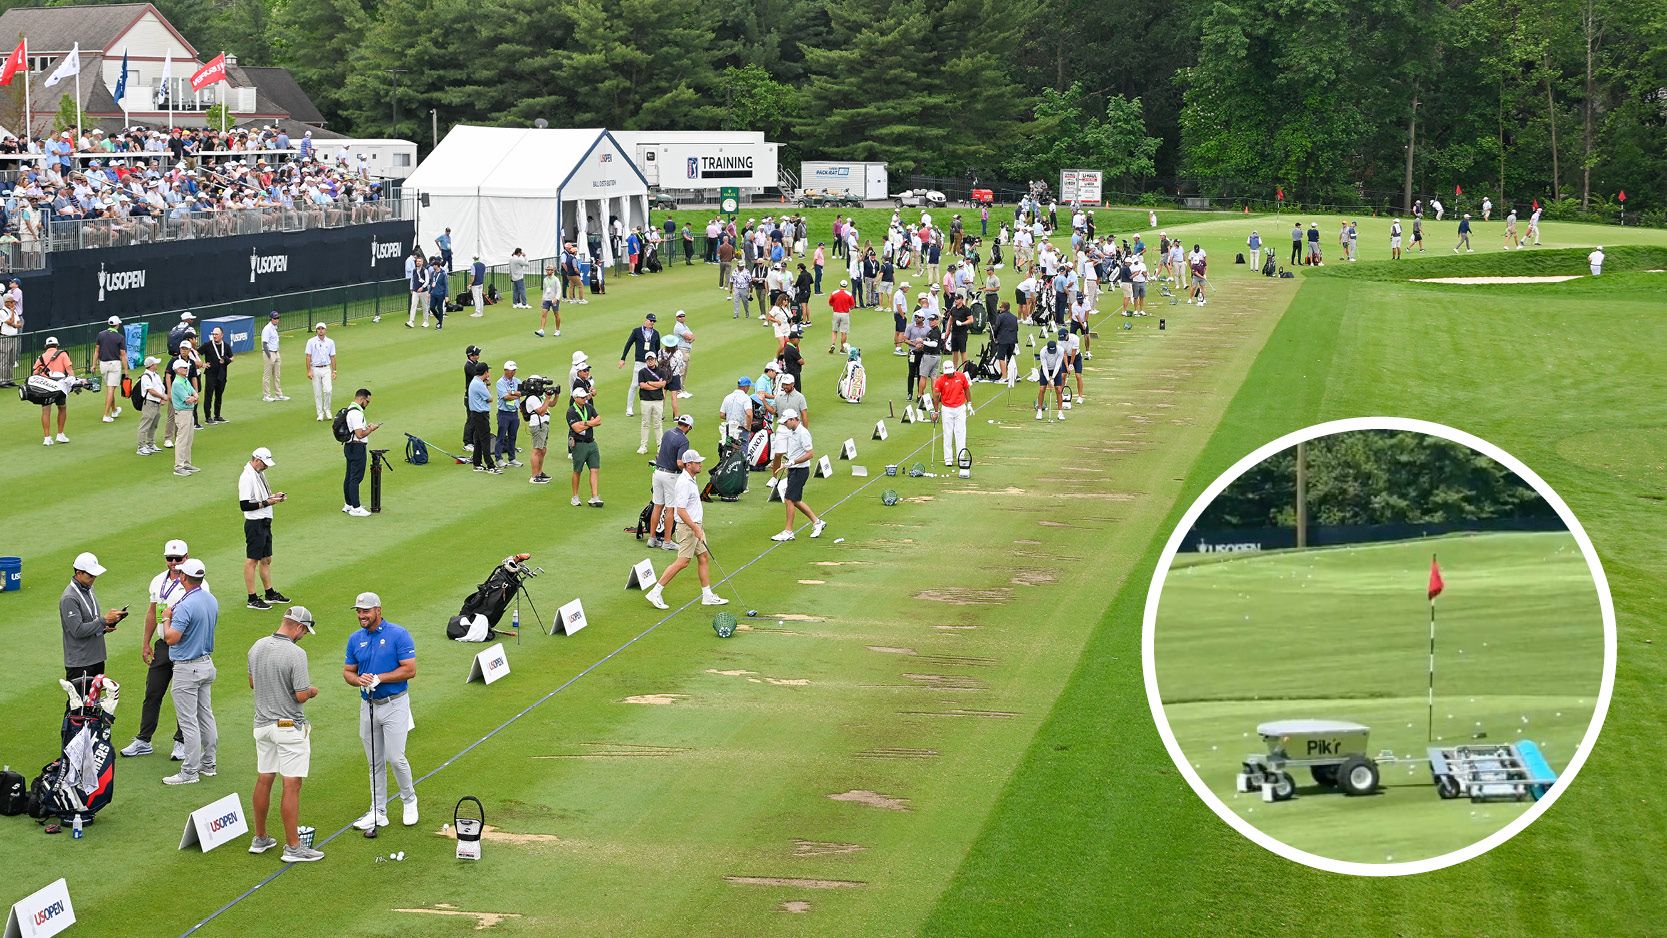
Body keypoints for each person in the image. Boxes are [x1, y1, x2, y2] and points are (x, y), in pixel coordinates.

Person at [247, 605, 323, 862]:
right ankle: (293, 847)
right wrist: (312, 691)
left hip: (262, 726)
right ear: (299, 627)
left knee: (264, 778)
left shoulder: (256, 646)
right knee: (291, 784)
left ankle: (260, 838)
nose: (303, 636)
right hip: (288, 728)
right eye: (304, 631)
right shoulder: (296, 654)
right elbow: (301, 694)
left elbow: (253, 683)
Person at [121, 539, 204, 760]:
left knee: (183, 694)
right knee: (153, 692)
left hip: (185, 646)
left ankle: (181, 741)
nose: (174, 563)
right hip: (163, 645)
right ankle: (143, 740)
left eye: (179, 559)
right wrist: (146, 643)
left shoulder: (198, 583)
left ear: (187, 557)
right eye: (170, 559)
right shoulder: (158, 581)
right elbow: (151, 613)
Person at [342, 592, 419, 830]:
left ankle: (409, 800)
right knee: (374, 762)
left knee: (396, 758)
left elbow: (410, 670)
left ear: (378, 610)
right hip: (368, 706)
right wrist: (359, 681)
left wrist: (380, 678)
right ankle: (378, 811)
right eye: (358, 611)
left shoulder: (398, 634)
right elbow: (348, 672)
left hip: (395, 704)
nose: (361, 615)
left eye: (366, 611)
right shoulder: (355, 639)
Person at [642, 450, 727, 609]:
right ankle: (655, 592)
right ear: (689, 465)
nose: (700, 464)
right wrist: (695, 528)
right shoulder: (683, 483)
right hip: (688, 528)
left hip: (695, 526)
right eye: (697, 462)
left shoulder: (691, 479)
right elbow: (679, 510)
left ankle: (707, 595)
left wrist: (697, 527)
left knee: (703, 557)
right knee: (683, 562)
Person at [161, 558, 218, 785]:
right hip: (206, 664)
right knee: (206, 715)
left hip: (187, 668)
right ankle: (209, 764)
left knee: (188, 722)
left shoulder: (185, 605)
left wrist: (166, 619)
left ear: (184, 577)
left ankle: (189, 772)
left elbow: (171, 638)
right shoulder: (210, 599)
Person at [60, 552, 124, 741]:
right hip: (80, 662)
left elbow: (90, 623)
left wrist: (104, 628)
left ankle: (87, 744)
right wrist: (104, 620)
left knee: (92, 705)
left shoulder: (88, 589)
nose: (93, 578)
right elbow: (78, 630)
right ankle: (69, 745)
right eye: (90, 575)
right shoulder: (69, 598)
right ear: (78, 573)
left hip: (96, 658)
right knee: (76, 707)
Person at [240, 447, 290, 609]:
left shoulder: (259, 474)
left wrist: (274, 497)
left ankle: (269, 593)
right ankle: (252, 598)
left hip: (265, 521)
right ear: (257, 460)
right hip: (255, 523)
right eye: (264, 463)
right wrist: (268, 502)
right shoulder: (247, 477)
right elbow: (245, 505)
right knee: (252, 560)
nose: (267, 467)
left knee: (266, 559)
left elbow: (260, 498)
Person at [767, 410, 825, 542]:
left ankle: (788, 531)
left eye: (786, 422)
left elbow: (810, 454)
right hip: (794, 469)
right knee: (795, 500)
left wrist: (793, 462)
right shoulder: (792, 431)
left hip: (800, 470)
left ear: (794, 419)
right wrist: (788, 463)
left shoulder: (803, 433)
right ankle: (817, 522)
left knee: (788, 499)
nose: (785, 424)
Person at [648, 414, 694, 550]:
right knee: (670, 508)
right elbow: (680, 462)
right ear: (689, 427)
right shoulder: (683, 440)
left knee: (657, 505)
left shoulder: (668, 433)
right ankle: (667, 542)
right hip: (670, 476)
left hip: (658, 473)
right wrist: (688, 469)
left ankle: (652, 538)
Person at [343, 388, 381, 514]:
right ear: (361, 398)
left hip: (350, 447)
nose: (367, 405)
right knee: (355, 478)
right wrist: (372, 429)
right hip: (357, 447)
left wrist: (366, 427)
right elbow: (359, 434)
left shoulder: (351, 409)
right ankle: (356, 508)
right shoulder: (356, 413)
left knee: (349, 476)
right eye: (367, 401)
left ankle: (348, 504)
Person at [567, 384, 603, 507]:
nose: (584, 399)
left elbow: (599, 420)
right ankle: (575, 496)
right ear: (575, 398)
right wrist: (590, 423)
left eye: (585, 397)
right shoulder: (571, 411)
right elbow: (576, 428)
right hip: (579, 444)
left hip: (591, 443)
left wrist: (585, 423)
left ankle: (594, 496)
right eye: (582, 397)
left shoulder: (589, 406)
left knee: (594, 469)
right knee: (577, 471)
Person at [618, 313, 661, 417]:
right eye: (650, 320)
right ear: (645, 320)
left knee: (652, 385)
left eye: (654, 321)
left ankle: (652, 408)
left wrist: (659, 362)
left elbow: (657, 348)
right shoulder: (637, 331)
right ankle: (629, 408)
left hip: (651, 364)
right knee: (634, 385)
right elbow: (628, 344)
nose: (652, 323)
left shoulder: (655, 333)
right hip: (639, 362)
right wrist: (623, 358)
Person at [33, 336, 73, 445]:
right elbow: (70, 372)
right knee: (62, 408)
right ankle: (60, 434)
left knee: (46, 411)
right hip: (59, 386)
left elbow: (34, 374)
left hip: (45, 386)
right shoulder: (63, 354)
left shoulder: (41, 357)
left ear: (46, 346)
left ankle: (47, 438)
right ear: (56, 345)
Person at [521, 374, 554, 485]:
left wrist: (556, 394)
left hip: (543, 424)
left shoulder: (539, 396)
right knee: (537, 450)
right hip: (538, 425)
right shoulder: (532, 398)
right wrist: (548, 398)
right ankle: (534, 476)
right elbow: (541, 411)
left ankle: (539, 473)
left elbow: (552, 404)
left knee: (542, 449)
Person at [169, 359, 200, 476]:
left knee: (188, 439)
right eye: (184, 368)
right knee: (182, 439)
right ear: (177, 370)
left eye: (186, 368)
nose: (186, 369)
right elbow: (188, 399)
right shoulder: (177, 383)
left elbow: (194, 393)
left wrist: (194, 397)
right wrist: (193, 398)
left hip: (188, 412)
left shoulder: (185, 380)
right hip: (182, 413)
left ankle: (186, 463)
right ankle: (179, 466)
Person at [95, 316, 127, 423]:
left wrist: (94, 365)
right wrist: (126, 370)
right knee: (111, 389)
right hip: (114, 365)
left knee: (110, 388)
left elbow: (97, 351)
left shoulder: (101, 334)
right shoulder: (120, 337)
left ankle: (114, 410)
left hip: (103, 365)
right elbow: (123, 355)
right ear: (117, 325)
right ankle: (106, 415)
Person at [635, 351, 668, 455]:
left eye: (652, 359)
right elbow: (642, 385)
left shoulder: (661, 371)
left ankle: (660, 446)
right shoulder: (642, 372)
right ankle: (643, 446)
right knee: (645, 423)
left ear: (655, 360)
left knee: (658, 424)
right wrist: (655, 386)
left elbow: (663, 384)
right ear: (646, 361)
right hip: (645, 400)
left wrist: (650, 383)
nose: (650, 361)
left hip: (658, 400)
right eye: (648, 359)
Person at [201, 326, 233, 424]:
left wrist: (226, 360)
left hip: (222, 374)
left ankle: (217, 415)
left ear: (222, 335)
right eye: (213, 334)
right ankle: (208, 417)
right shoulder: (207, 345)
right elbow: (196, 353)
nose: (214, 336)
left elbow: (232, 358)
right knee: (208, 396)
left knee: (219, 395)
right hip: (211, 374)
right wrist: (202, 364)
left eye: (216, 334)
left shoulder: (226, 346)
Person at [304, 323, 337, 421]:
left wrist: (334, 371)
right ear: (316, 331)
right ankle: (320, 413)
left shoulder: (330, 342)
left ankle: (327, 410)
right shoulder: (310, 342)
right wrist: (309, 370)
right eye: (319, 329)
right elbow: (308, 356)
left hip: (326, 368)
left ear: (325, 330)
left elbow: (333, 356)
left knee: (328, 390)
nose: (321, 330)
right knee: (317, 392)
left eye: (322, 329)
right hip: (315, 368)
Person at [135, 356, 167, 455]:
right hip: (149, 403)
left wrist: (161, 398)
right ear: (151, 365)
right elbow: (151, 391)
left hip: (156, 403)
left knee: (154, 424)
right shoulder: (145, 376)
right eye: (155, 363)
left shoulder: (155, 375)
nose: (157, 365)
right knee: (145, 425)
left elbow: (160, 388)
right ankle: (141, 447)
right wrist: (162, 396)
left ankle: (150, 443)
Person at [495, 361, 523, 469]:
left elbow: (521, 393)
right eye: (512, 370)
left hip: (514, 413)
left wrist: (511, 393)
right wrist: (515, 394)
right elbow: (505, 397)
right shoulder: (500, 382)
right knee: (501, 436)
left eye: (514, 370)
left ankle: (512, 458)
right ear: (505, 370)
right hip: (504, 413)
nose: (513, 372)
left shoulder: (517, 381)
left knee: (513, 436)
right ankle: (498, 458)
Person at [1036, 336, 1067, 421]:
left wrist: (1052, 377)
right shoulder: (1043, 351)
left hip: (1056, 370)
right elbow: (1044, 366)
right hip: (1045, 370)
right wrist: (1048, 380)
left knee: (1059, 389)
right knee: (1042, 389)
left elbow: (1058, 365)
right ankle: (1039, 411)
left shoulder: (1060, 350)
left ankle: (1060, 412)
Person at [991, 301, 1019, 387]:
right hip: (1013, 340)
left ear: (1003, 308)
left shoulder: (1000, 317)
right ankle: (1015, 375)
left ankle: (1004, 377)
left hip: (1003, 340)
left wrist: (995, 337)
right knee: (1010, 358)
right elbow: (1016, 328)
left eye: (1000, 307)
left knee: (1001, 358)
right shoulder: (1014, 317)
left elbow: (996, 328)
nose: (999, 309)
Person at [260, 311, 287, 402]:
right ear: (271, 319)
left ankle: (278, 394)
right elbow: (264, 344)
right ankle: (266, 395)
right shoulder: (267, 329)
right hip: (269, 353)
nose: (277, 320)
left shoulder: (274, 328)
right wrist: (269, 356)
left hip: (276, 352)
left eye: (277, 318)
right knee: (267, 375)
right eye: (275, 318)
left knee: (277, 375)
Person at [828, 280, 855, 354]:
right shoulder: (849, 294)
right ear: (846, 286)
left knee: (834, 331)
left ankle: (833, 344)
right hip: (845, 314)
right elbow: (852, 305)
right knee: (844, 332)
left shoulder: (834, 293)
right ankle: (842, 349)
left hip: (836, 313)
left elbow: (830, 303)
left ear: (840, 285)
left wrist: (835, 306)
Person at [536, 265, 561, 337]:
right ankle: (541, 330)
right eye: (547, 270)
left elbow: (559, 290)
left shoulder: (556, 279)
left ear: (553, 271)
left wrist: (556, 298)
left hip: (554, 299)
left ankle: (557, 330)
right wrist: (542, 300)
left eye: (550, 270)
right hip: (546, 299)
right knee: (543, 314)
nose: (548, 271)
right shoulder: (545, 279)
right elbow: (544, 290)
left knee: (556, 314)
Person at [0, 293, 19, 389]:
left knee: (11, 359)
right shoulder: (2, 312)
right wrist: (12, 312)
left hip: (14, 337)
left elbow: (19, 324)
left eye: (13, 302)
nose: (13, 303)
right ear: (6, 302)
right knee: (4, 359)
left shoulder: (15, 312)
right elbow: (10, 322)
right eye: (11, 302)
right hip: (5, 338)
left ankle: (9, 379)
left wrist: (15, 325)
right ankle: (2, 380)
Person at [428, 257, 449, 330]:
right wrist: (429, 292)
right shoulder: (433, 273)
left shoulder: (443, 274)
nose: (432, 266)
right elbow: (431, 283)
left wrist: (446, 295)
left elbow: (446, 285)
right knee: (432, 307)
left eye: (433, 265)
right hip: (433, 293)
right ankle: (440, 319)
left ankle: (440, 324)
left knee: (440, 308)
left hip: (440, 294)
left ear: (437, 265)